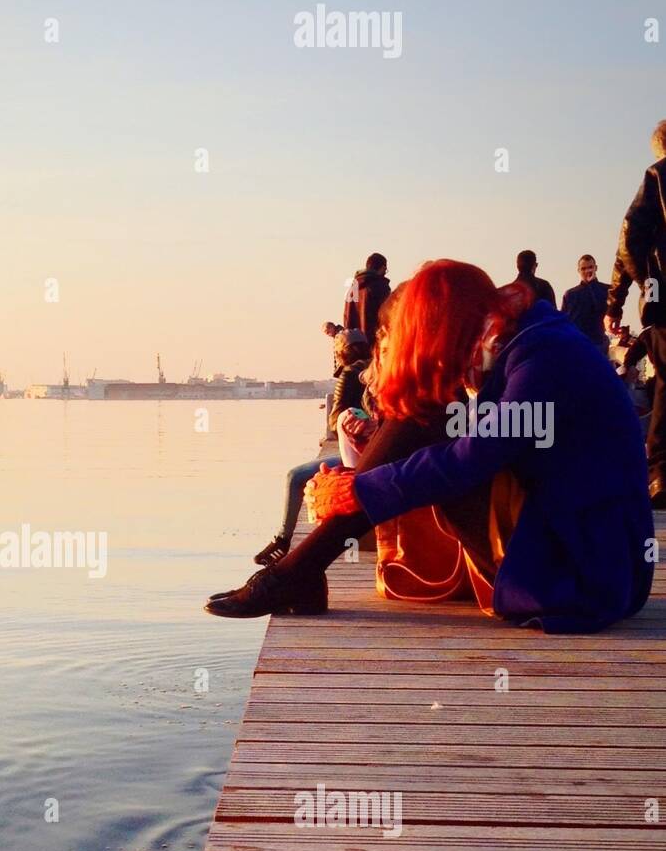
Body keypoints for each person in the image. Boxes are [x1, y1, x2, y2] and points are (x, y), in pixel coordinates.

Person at [205, 260, 652, 634]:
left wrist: (359, 489)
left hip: (583, 573)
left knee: (426, 412)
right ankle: (299, 573)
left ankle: (296, 573)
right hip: (574, 542)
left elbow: (474, 457)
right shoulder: (527, 338)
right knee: (425, 414)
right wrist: (365, 476)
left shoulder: (546, 358)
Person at [248, 328, 370, 568]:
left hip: (359, 453)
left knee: (296, 477)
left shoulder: (349, 373)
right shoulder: (378, 369)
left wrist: (352, 421)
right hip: (377, 449)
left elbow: (335, 422)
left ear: (341, 353)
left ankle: (282, 541)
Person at [605, 119, 666, 505]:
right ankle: (659, 473)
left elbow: (629, 236)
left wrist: (633, 289)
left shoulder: (658, 174)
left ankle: (659, 474)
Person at [561, 254, 610, 352]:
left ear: (596, 268)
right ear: (578, 270)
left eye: (590, 267)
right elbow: (563, 320)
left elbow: (603, 310)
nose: (587, 271)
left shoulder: (607, 290)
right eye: (583, 268)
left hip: (598, 342)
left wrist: (592, 285)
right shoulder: (570, 294)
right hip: (576, 343)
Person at [342, 253, 390, 342]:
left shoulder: (352, 289)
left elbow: (347, 317)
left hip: (354, 345)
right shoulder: (380, 286)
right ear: (382, 268)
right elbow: (387, 316)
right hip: (375, 343)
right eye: (385, 270)